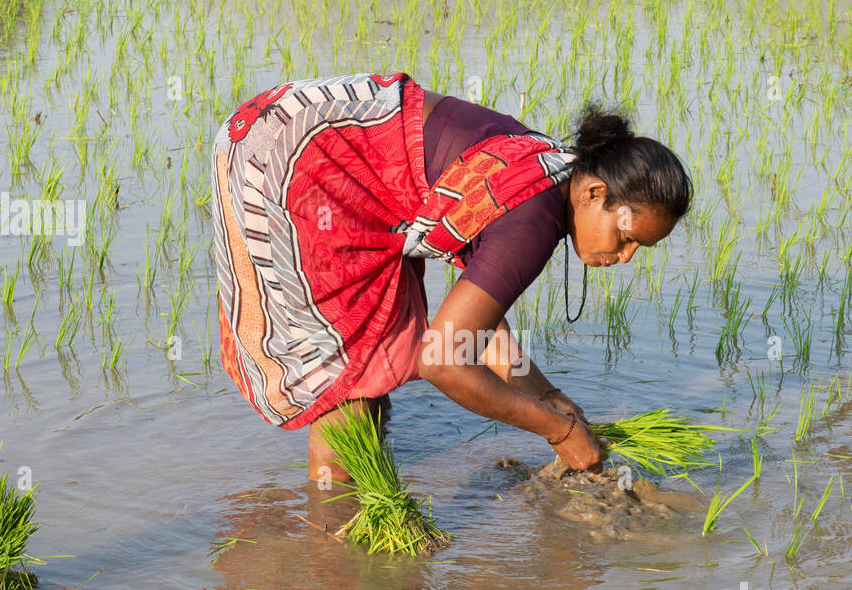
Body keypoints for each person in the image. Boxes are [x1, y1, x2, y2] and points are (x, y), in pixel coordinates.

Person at [210, 72, 690, 481]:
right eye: (627, 237)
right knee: (352, 375)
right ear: (594, 194)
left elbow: (479, 319)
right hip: (295, 167)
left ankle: (355, 524)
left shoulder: (542, 168)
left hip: (281, 127)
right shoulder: (532, 221)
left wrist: (544, 394)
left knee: (371, 364)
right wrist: (556, 430)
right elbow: (442, 361)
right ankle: (335, 558)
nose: (625, 257)